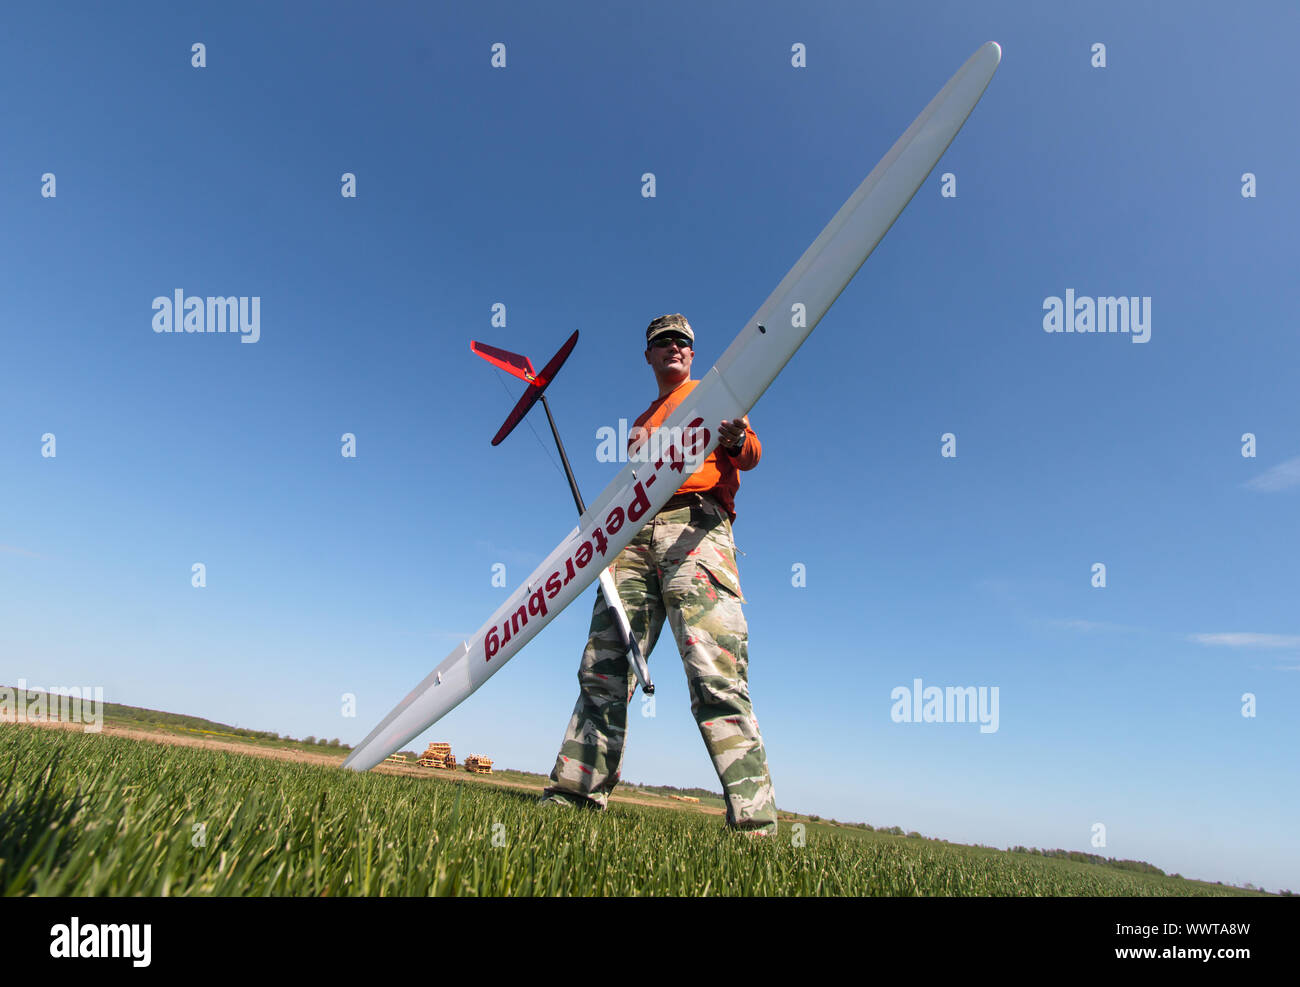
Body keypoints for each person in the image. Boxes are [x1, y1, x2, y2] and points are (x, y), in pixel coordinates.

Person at [539, 313, 777, 834]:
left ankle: (754, 823)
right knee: (606, 663)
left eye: (681, 341)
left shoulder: (717, 395)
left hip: (697, 529)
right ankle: (575, 794)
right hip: (633, 538)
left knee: (714, 667)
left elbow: (752, 453)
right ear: (648, 356)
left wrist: (735, 439)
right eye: (661, 342)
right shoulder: (642, 422)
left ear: (692, 353)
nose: (672, 347)